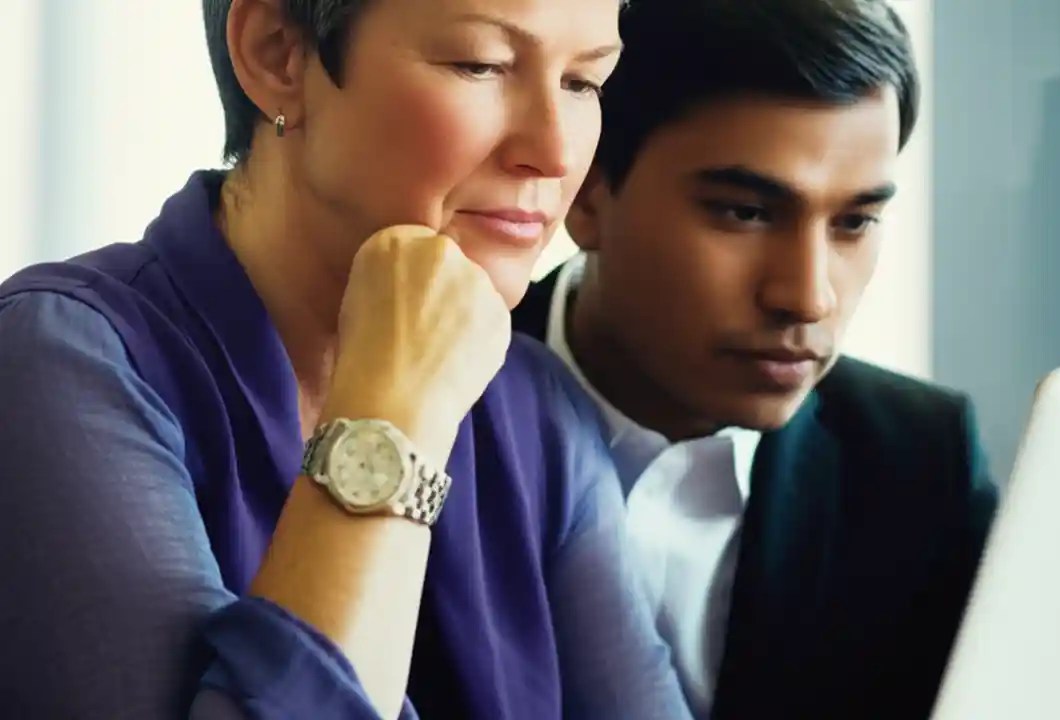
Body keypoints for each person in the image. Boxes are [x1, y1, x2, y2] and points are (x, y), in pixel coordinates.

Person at [511, 0, 1060, 718]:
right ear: (590, 189)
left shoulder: (919, 462)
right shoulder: (428, 391)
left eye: (854, 221)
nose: (809, 295)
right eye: (744, 211)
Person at [0, 0, 692, 718]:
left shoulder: (538, 413)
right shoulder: (60, 364)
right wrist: (394, 415)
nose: (554, 152)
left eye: (583, 84)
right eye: (480, 64)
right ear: (279, 55)